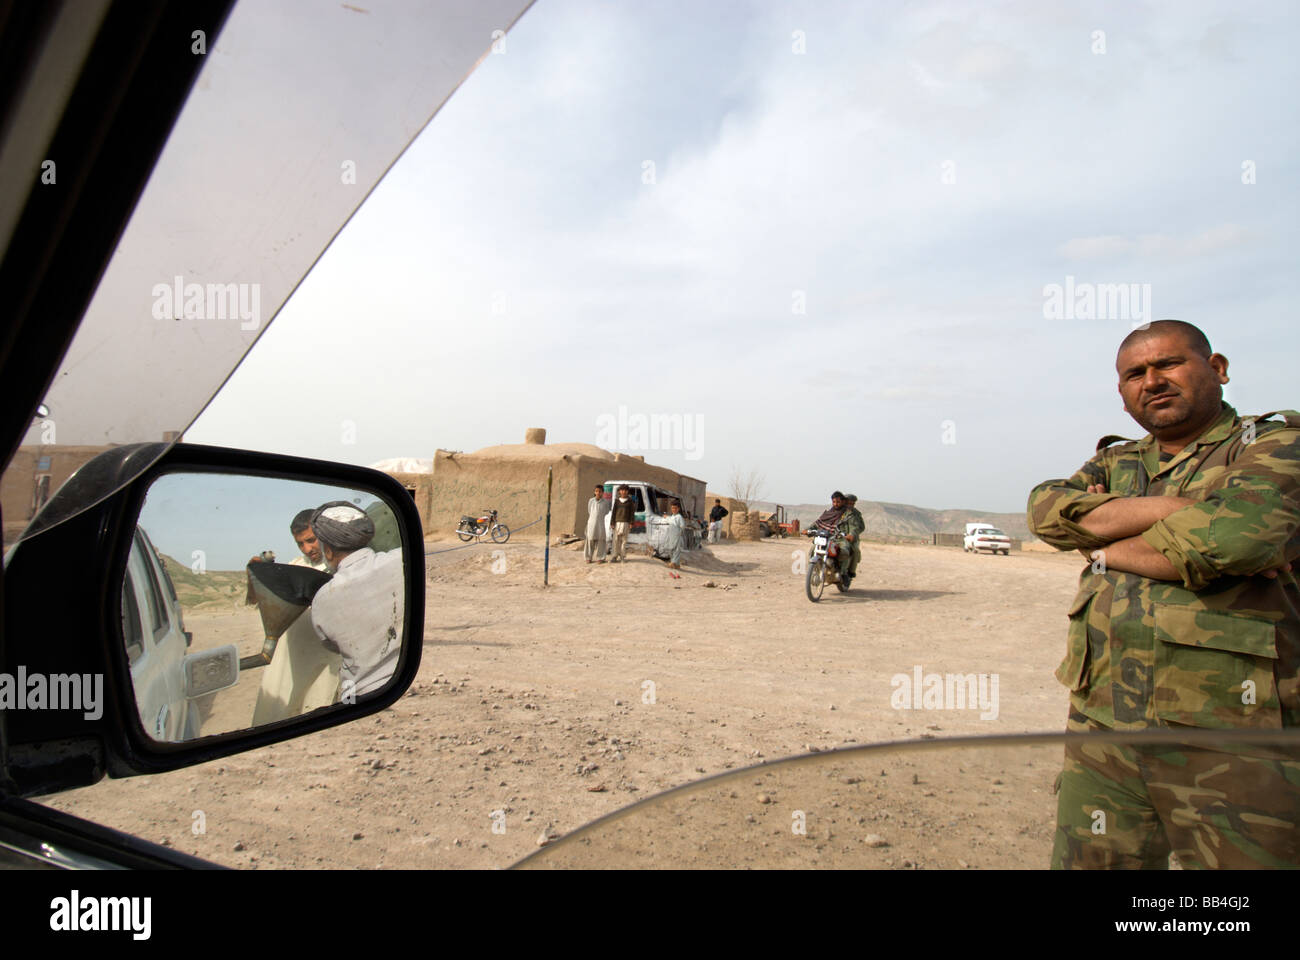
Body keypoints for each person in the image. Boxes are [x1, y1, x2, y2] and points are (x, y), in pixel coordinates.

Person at [1026, 319, 1299, 869]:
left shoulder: (1275, 442)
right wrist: (1184, 514)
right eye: (1134, 373)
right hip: (1103, 726)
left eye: (1168, 364)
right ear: (1123, 393)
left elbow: (1237, 539)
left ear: (1216, 368)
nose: (1151, 381)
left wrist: (1097, 541)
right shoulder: (1116, 461)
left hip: (1234, 741)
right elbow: (1044, 511)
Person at [250, 508, 341, 725]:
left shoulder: (341, 567)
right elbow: (258, 601)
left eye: (311, 540)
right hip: (288, 659)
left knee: (315, 715)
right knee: (277, 715)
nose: (307, 548)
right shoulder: (294, 567)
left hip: (322, 661)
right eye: (301, 543)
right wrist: (255, 574)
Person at [309, 501, 405, 700]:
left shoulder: (323, 598)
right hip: (400, 682)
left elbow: (331, 645)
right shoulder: (402, 562)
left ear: (327, 551)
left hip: (356, 696)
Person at [609, 484, 636, 563]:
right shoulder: (617, 501)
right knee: (616, 540)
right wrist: (612, 522)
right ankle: (614, 556)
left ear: (627, 491)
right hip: (617, 523)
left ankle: (622, 557)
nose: (623, 492)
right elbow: (614, 512)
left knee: (624, 541)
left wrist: (631, 522)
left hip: (626, 523)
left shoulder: (630, 501)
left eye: (625, 490)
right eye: (622, 490)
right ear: (619, 491)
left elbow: (632, 513)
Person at [584, 484, 610, 563]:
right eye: (596, 491)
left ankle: (600, 558)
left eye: (600, 491)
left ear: (603, 492)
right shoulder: (591, 501)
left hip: (600, 524)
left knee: (601, 540)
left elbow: (606, 512)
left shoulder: (605, 502)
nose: (598, 493)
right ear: (594, 492)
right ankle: (588, 558)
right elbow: (589, 511)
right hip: (591, 524)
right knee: (590, 540)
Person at [842, 494, 865, 581]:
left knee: (855, 550)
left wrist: (853, 534)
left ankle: (851, 572)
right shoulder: (838, 511)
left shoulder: (856, 514)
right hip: (838, 536)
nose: (850, 505)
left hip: (852, 538)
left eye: (852, 504)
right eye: (848, 503)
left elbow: (861, 527)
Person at [665, 499, 687, 569]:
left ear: (678, 509)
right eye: (672, 508)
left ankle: (673, 563)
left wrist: (678, 532)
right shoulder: (672, 516)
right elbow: (670, 520)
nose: (673, 509)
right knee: (671, 550)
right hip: (671, 536)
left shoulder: (679, 517)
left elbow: (682, 526)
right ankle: (676, 564)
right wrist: (666, 517)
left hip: (677, 536)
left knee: (676, 550)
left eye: (675, 508)